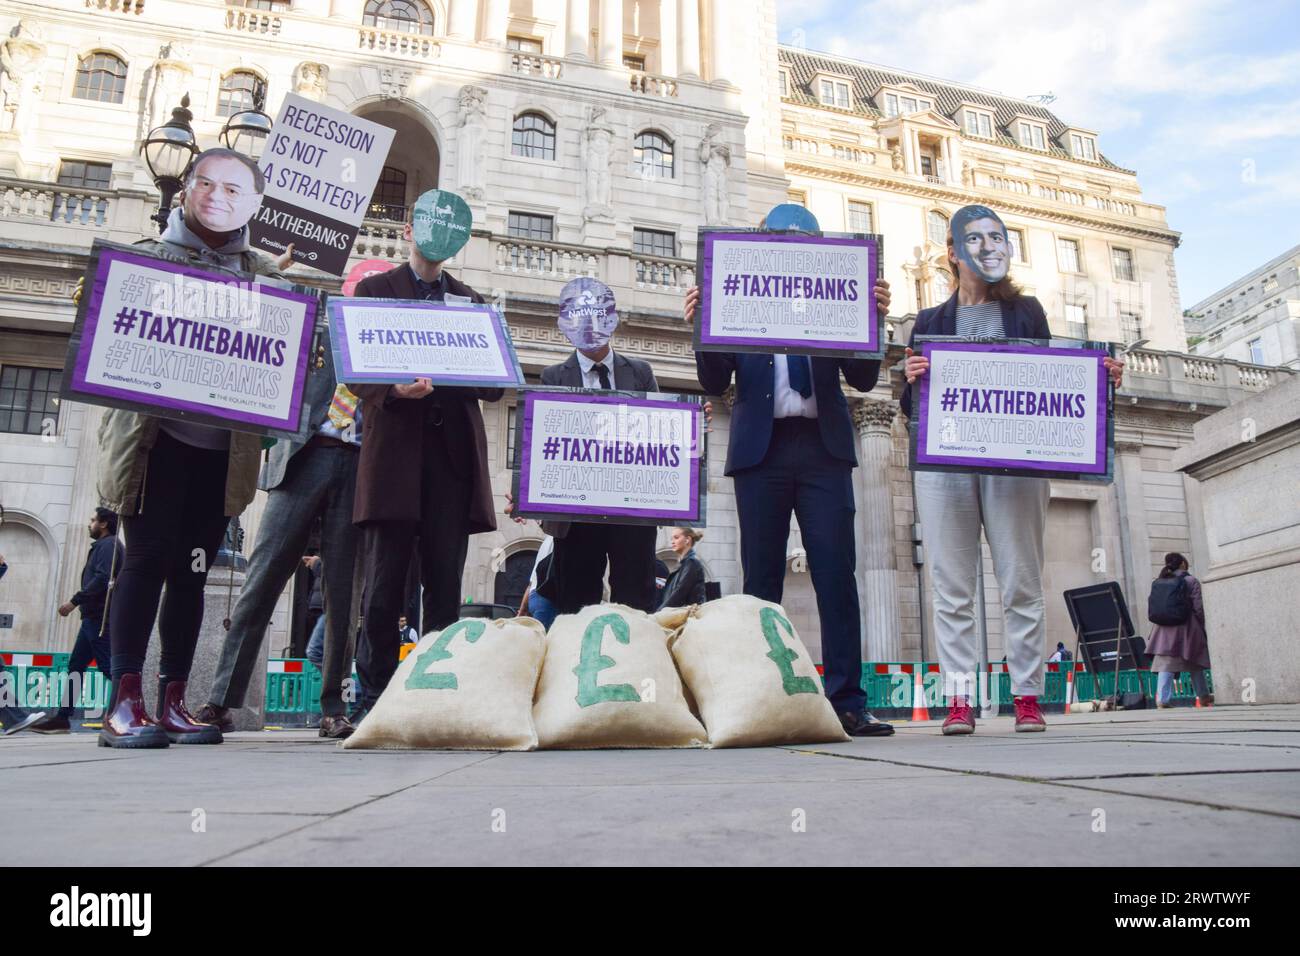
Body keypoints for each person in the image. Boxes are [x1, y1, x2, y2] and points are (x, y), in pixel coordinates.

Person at [901, 204, 1124, 736]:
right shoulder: (929, 322)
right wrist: (909, 380)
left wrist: (1099, 379)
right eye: (974, 239)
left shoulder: (1027, 311)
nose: (987, 247)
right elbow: (913, 412)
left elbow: (1051, 382)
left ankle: (1026, 695)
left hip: (1014, 464)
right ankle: (959, 700)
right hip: (947, 465)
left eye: (996, 238)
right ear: (952, 251)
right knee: (951, 587)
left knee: (1021, 580)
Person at [96, 147, 281, 748]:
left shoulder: (267, 283)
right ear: (185, 191)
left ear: (252, 203)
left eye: (235, 189)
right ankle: (124, 699)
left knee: (195, 573)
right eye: (207, 183)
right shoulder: (140, 262)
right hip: (156, 446)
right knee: (144, 562)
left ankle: (174, 697)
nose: (218, 197)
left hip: (220, 456)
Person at [684, 223, 897, 738]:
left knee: (836, 579)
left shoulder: (834, 295)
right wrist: (701, 325)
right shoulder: (741, 291)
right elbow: (714, 380)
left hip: (824, 449)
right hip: (763, 451)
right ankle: (763, 699)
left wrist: (874, 318)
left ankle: (846, 701)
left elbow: (865, 379)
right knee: (760, 584)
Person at [348, 194, 501, 722]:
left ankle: (437, 698)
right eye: (427, 225)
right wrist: (392, 390)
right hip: (394, 457)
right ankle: (372, 699)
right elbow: (355, 369)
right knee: (384, 586)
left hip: (451, 462)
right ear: (408, 229)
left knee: (444, 584)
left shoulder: (472, 299)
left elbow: (496, 388)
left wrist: (491, 353)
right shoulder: (374, 289)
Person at [195, 309, 365, 743]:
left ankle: (334, 709)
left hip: (360, 465)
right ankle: (220, 700)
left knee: (344, 596)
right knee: (262, 579)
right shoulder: (315, 330)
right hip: (300, 460)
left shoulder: (390, 347)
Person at [535, 278, 660, 614]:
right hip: (576, 518)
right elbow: (543, 441)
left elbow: (657, 435)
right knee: (576, 609)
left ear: (611, 318)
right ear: (566, 325)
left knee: (636, 607)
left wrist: (688, 427)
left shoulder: (641, 372)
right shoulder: (552, 377)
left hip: (632, 515)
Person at [30, 508, 124, 733]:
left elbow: (103, 578)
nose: (89, 524)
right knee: (76, 665)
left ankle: (124, 710)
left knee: (108, 667)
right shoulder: (107, 546)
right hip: (92, 616)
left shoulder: (108, 545)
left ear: (103, 524)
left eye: (93, 520)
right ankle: (63, 717)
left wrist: (73, 602)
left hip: (99, 616)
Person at [1146, 552, 1213, 708]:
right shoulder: (1191, 580)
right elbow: (1198, 607)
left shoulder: (1160, 580)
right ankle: (1203, 695)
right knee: (1194, 659)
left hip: (1162, 629)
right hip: (1187, 626)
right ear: (1183, 563)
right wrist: (1202, 626)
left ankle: (1163, 699)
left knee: (1166, 663)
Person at [658, 527, 707, 609]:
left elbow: (679, 593)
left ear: (687, 540)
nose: (672, 542)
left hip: (688, 617)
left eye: (676, 538)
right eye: (672, 539)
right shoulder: (684, 564)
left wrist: (659, 613)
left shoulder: (692, 563)